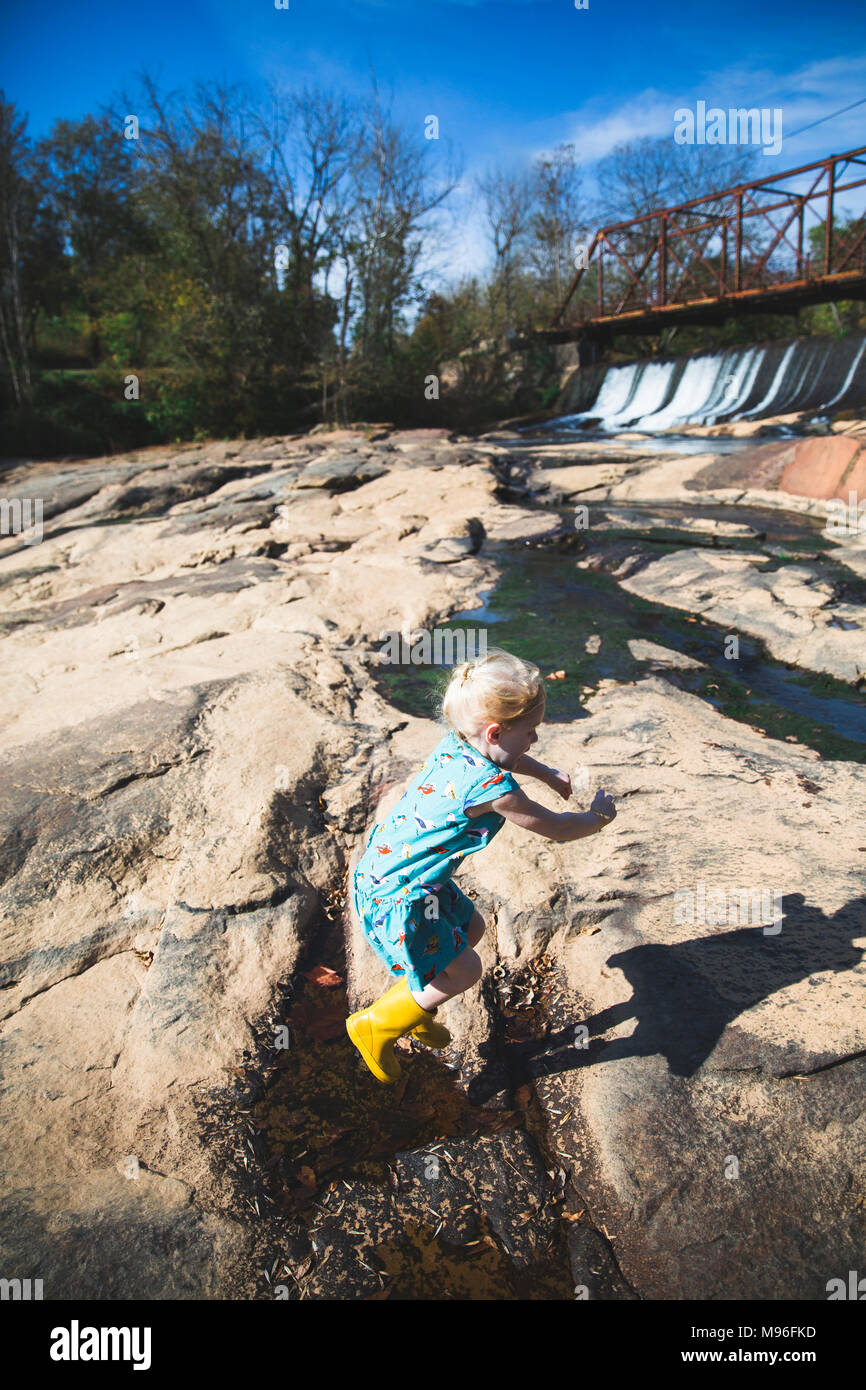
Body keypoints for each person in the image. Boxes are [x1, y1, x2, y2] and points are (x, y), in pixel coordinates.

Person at [346, 646, 617, 1083]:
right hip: (401, 893)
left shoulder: (457, 742)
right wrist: (599, 817)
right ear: (494, 731)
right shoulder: (494, 791)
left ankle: (416, 1007)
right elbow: (558, 829)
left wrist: (546, 773)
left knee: (470, 929)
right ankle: (376, 1025)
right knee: (467, 968)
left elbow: (505, 752)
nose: (534, 739)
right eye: (530, 732)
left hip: (393, 873)